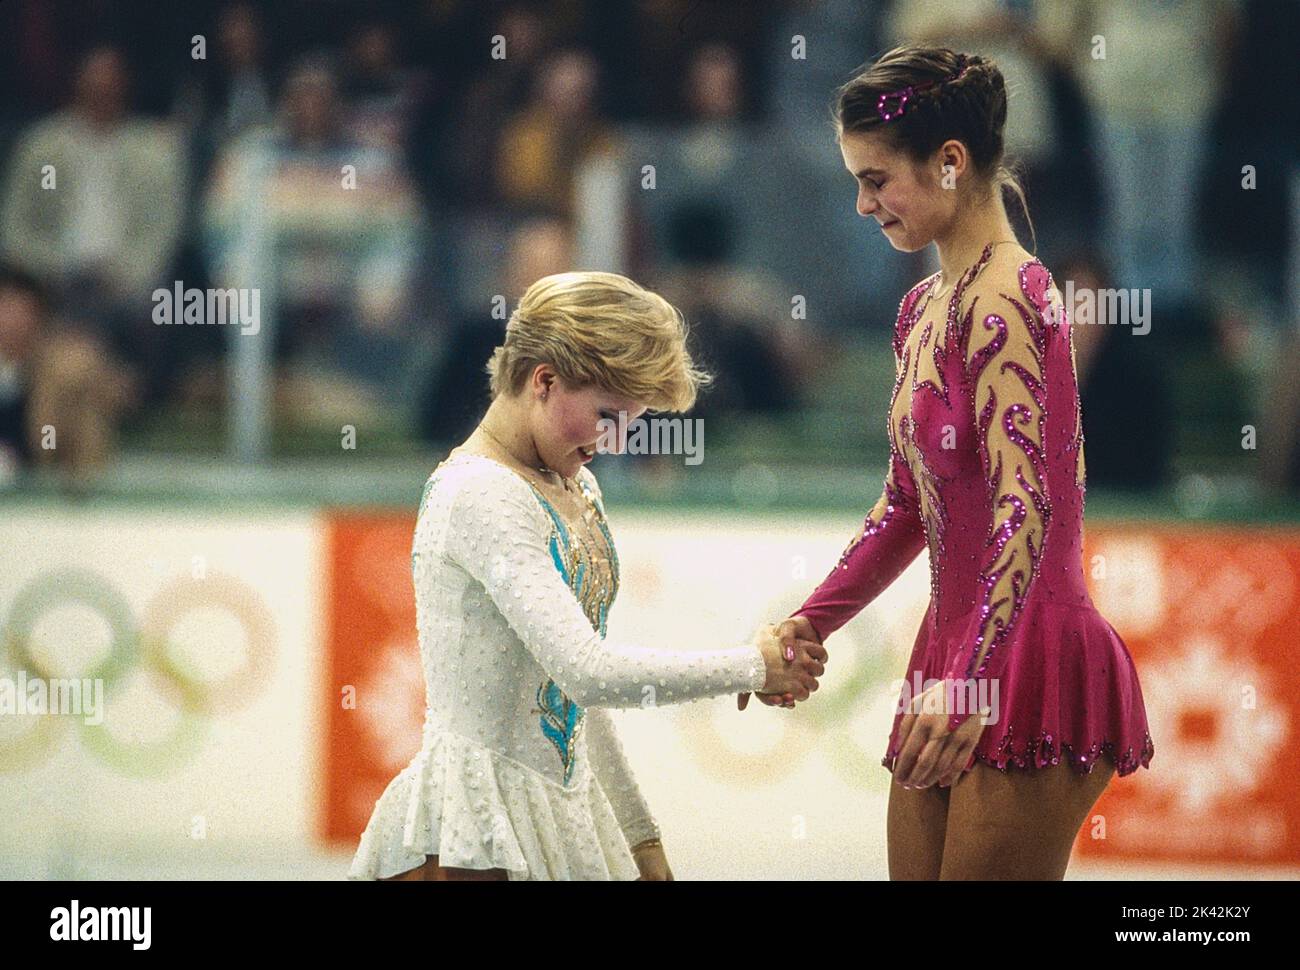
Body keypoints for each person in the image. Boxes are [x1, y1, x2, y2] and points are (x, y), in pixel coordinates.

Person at [741, 47, 1153, 880]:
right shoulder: (921, 309)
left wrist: (975, 680)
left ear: (951, 162)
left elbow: (1024, 506)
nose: (863, 205)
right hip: (959, 649)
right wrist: (810, 623)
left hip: (1026, 654)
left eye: (876, 179)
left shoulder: (1012, 295)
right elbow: (905, 505)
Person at [348, 271, 825, 881]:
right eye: (607, 415)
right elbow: (589, 672)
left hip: (562, 805)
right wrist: (752, 666)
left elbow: (573, 698)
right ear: (544, 380)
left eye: (630, 422)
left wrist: (642, 840)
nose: (617, 441)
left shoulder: (575, 484)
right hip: (478, 825)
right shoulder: (481, 495)